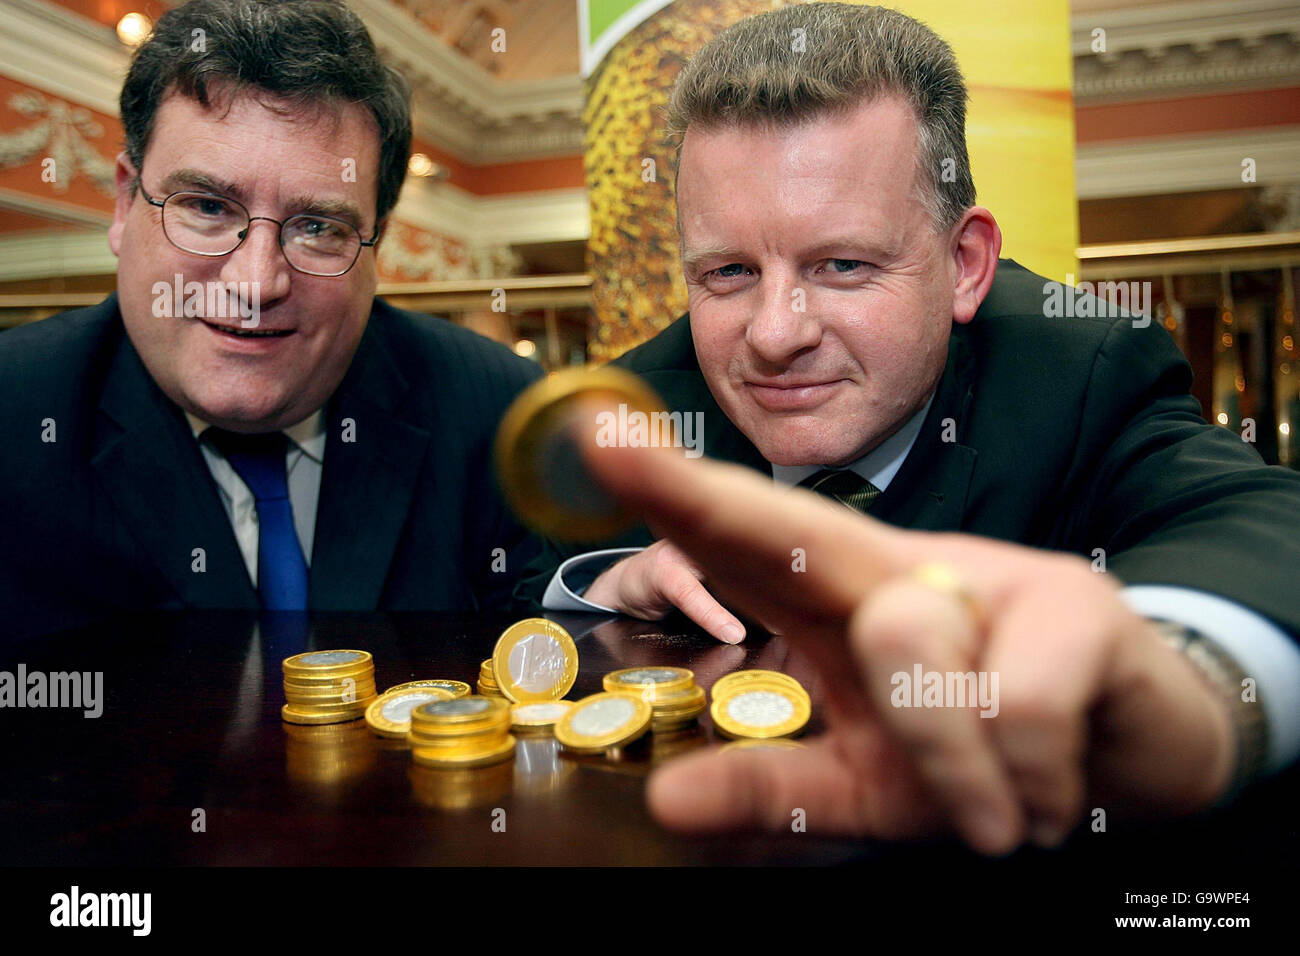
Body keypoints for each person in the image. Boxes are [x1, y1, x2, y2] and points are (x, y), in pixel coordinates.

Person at [524, 2, 1300, 852]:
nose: (774, 334)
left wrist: (1184, 682)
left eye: (842, 264)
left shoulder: (1083, 370)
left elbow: (1265, 529)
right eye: (730, 271)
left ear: (965, 265)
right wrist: (609, 586)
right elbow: (522, 603)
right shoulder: (639, 406)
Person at [0, 0, 541, 640]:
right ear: (125, 202)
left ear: (378, 245)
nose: (256, 283)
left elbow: (554, 638)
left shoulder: (497, 413)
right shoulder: (17, 414)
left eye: (319, 227)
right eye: (207, 206)